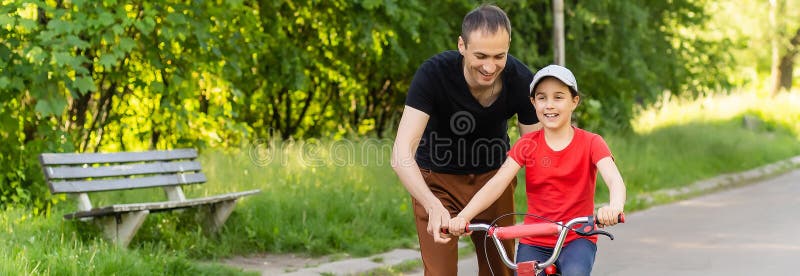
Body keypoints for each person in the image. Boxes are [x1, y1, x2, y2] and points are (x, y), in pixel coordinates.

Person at [390, 4, 541, 276]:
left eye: (499, 56)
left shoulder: (520, 80)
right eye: (481, 55)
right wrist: (432, 204)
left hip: (494, 182)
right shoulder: (433, 74)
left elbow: (538, 154)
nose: (489, 66)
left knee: (501, 271)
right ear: (462, 45)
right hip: (437, 184)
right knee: (440, 273)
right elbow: (401, 154)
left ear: (508, 47)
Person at [447, 64, 627, 276]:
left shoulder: (592, 143)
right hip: (534, 240)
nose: (549, 105)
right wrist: (464, 216)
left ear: (574, 102)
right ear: (533, 103)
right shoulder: (526, 144)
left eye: (558, 97)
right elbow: (496, 184)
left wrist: (614, 207)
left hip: (576, 238)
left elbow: (615, 180)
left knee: (575, 272)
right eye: (542, 98)